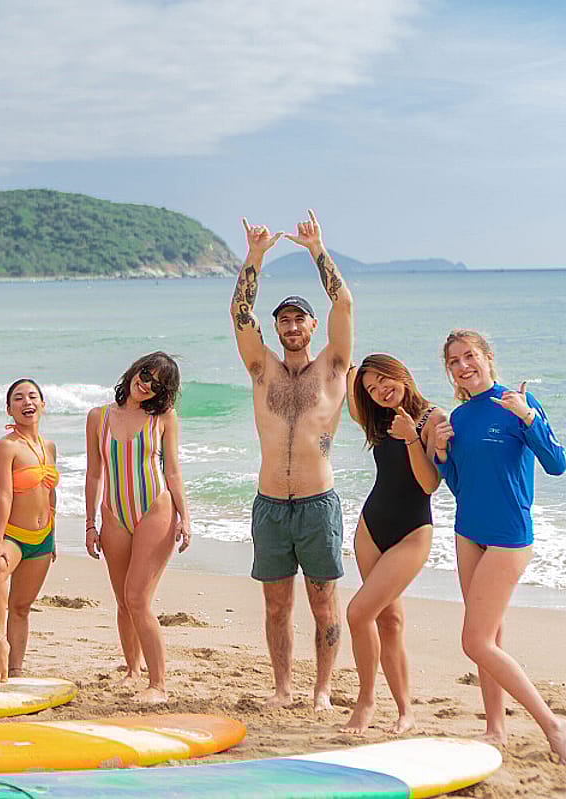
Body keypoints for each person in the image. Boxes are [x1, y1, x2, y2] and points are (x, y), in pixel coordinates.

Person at [229, 210, 353, 711]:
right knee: (276, 604)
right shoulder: (262, 370)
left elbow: (344, 300)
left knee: (324, 602)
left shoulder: (334, 367)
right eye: (285, 319)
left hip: (318, 505)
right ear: (277, 328)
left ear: (313, 325)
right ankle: (283, 689)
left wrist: (316, 248)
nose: (293, 325)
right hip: (271, 506)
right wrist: (255, 257)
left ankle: (322, 691)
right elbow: (239, 313)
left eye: (301, 317)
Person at [433, 329, 566, 764]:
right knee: (488, 632)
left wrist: (529, 418)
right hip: (467, 532)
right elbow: (460, 484)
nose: (463, 366)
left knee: (474, 642)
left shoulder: (518, 404)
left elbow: (556, 464)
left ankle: (552, 723)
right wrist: (440, 453)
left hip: (509, 537)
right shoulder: (458, 418)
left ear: (488, 357)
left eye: (469, 356)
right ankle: (495, 728)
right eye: (454, 361)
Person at [342, 354, 446, 735]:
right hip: (371, 528)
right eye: (372, 388)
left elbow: (429, 484)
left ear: (402, 373)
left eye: (384, 380)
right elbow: (347, 376)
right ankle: (399, 709)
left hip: (412, 532)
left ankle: (371, 701)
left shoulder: (434, 419)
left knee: (358, 613)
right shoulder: (378, 418)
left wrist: (411, 440)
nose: (380, 391)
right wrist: (349, 367)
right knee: (390, 618)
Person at [84, 352, 191, 704]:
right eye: (145, 374)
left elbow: (172, 470)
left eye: (157, 383)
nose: (146, 384)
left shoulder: (163, 417)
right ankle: (133, 671)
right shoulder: (98, 417)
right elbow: (94, 473)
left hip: (155, 511)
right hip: (114, 513)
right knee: (123, 601)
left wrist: (185, 517)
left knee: (138, 598)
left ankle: (158, 685)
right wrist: (89, 524)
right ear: (134, 370)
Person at [0, 379, 59, 682]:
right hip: (12, 534)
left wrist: (54, 537)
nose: (26, 402)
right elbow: (5, 495)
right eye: (18, 398)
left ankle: (15, 671)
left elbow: (51, 494)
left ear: (42, 403)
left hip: (43, 537)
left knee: (22, 607)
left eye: (32, 396)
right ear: (9, 409)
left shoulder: (49, 446)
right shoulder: (6, 447)